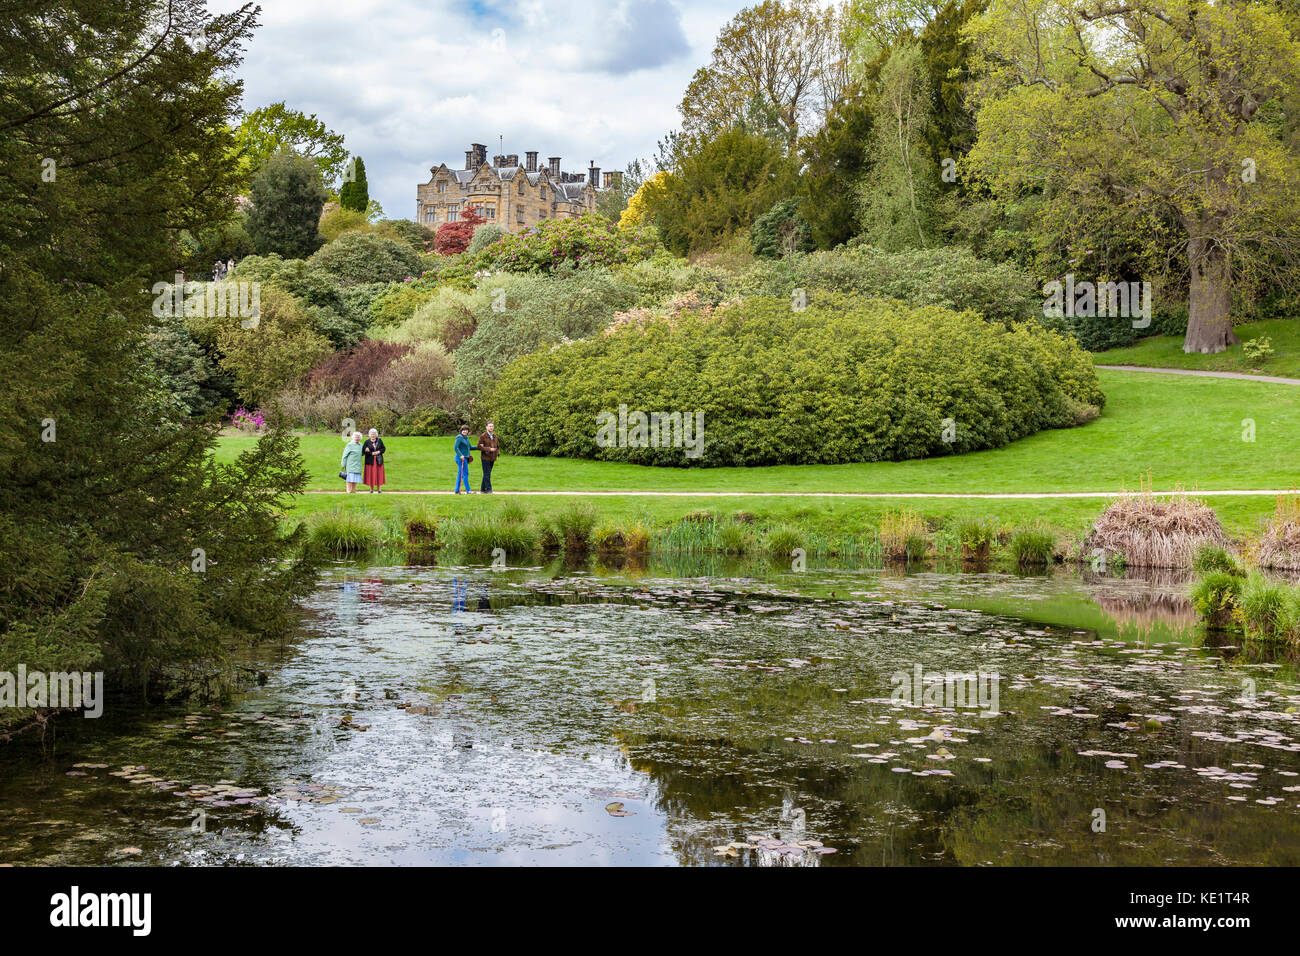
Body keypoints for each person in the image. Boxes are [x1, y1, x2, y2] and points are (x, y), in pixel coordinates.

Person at [454, 425, 477, 494]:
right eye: (463, 430)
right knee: (465, 473)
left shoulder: (466, 438)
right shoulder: (459, 437)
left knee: (460, 474)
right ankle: (468, 490)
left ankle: (457, 490)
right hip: (460, 458)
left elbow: (470, 447)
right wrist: (460, 455)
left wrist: (479, 447)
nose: (465, 431)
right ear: (461, 431)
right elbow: (456, 448)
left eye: (466, 430)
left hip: (465, 458)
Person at [477, 421, 499, 493]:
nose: (491, 427)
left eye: (492, 426)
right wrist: (489, 449)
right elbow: (479, 446)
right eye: (489, 426)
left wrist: (497, 453)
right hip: (485, 458)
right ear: (486, 427)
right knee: (487, 474)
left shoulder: (495, 436)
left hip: (492, 458)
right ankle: (489, 489)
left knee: (487, 473)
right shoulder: (483, 436)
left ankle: (482, 490)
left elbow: (497, 446)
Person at [362, 428, 386, 493]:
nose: (373, 435)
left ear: (376, 435)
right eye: (372, 434)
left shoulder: (379, 441)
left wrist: (378, 452)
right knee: (371, 475)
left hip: (378, 461)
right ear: (369, 435)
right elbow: (364, 451)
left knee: (378, 474)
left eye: (374, 434)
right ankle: (371, 489)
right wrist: (371, 453)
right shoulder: (367, 442)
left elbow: (383, 449)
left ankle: (379, 489)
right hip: (370, 461)